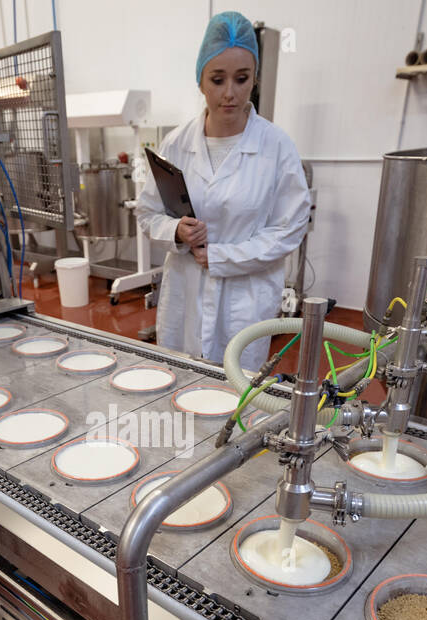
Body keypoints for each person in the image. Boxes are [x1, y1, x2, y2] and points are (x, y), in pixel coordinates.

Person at [136, 11, 311, 375]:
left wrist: (224, 256)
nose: (229, 93)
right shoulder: (176, 143)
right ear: (200, 81)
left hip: (245, 299)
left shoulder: (276, 146)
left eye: (241, 79)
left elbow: (289, 229)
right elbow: (147, 212)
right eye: (217, 79)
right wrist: (176, 231)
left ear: (255, 80)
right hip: (185, 293)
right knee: (179, 380)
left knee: (236, 389)